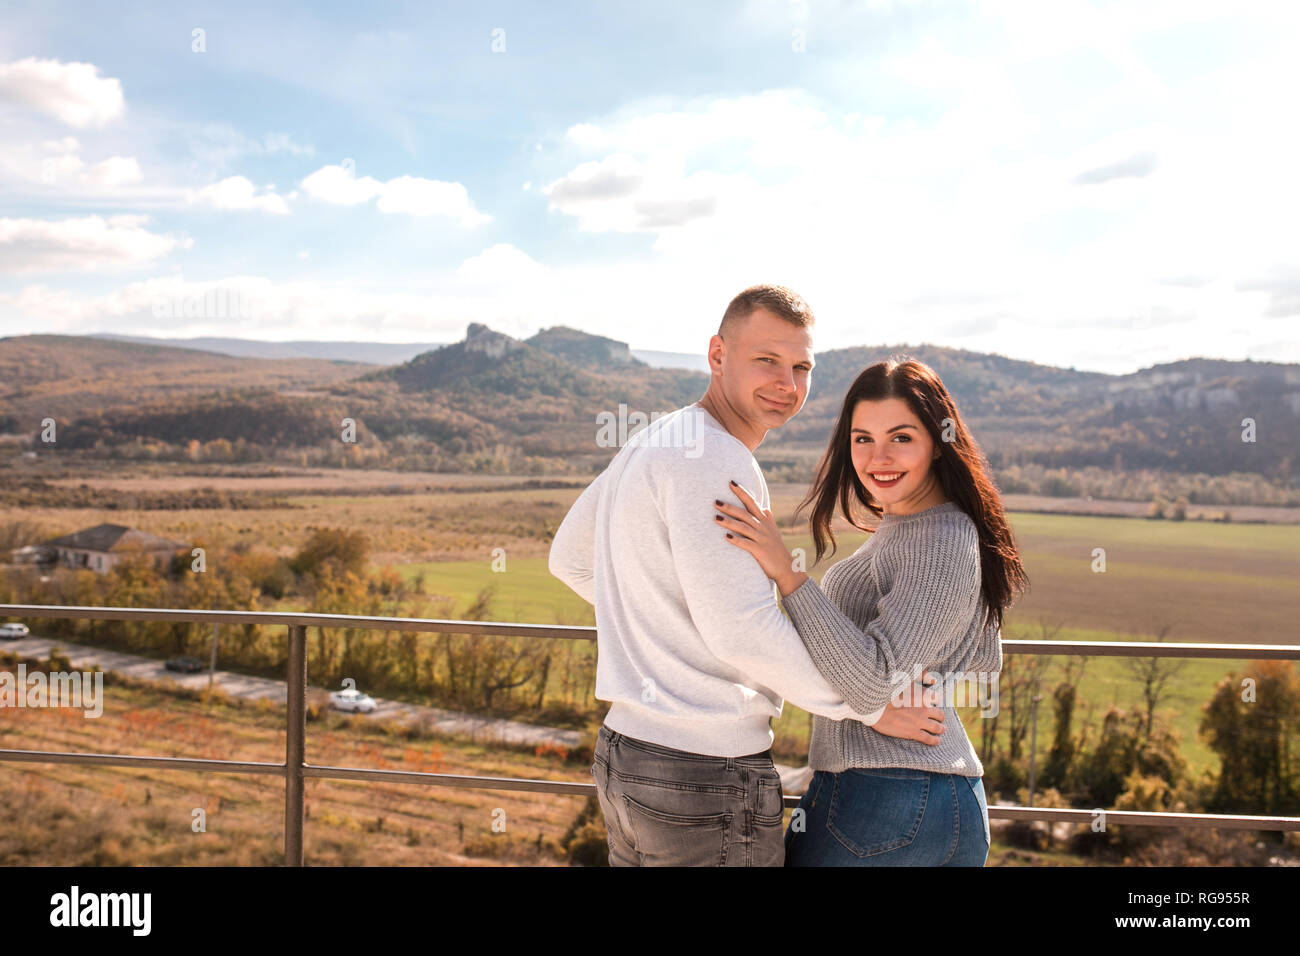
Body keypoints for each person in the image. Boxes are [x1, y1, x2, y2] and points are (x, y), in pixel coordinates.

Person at [548, 284, 946, 867]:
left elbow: (570, 559)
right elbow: (742, 630)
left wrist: (669, 620)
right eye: (767, 360)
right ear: (717, 355)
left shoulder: (654, 439)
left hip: (625, 758)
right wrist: (869, 708)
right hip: (702, 772)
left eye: (801, 367)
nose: (787, 384)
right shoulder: (718, 455)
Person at [712, 358, 1028, 865]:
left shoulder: (940, 536)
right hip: (925, 798)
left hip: (885, 797)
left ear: (937, 442)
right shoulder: (912, 527)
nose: (877, 456)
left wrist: (788, 576)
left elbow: (876, 677)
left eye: (901, 437)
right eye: (862, 438)